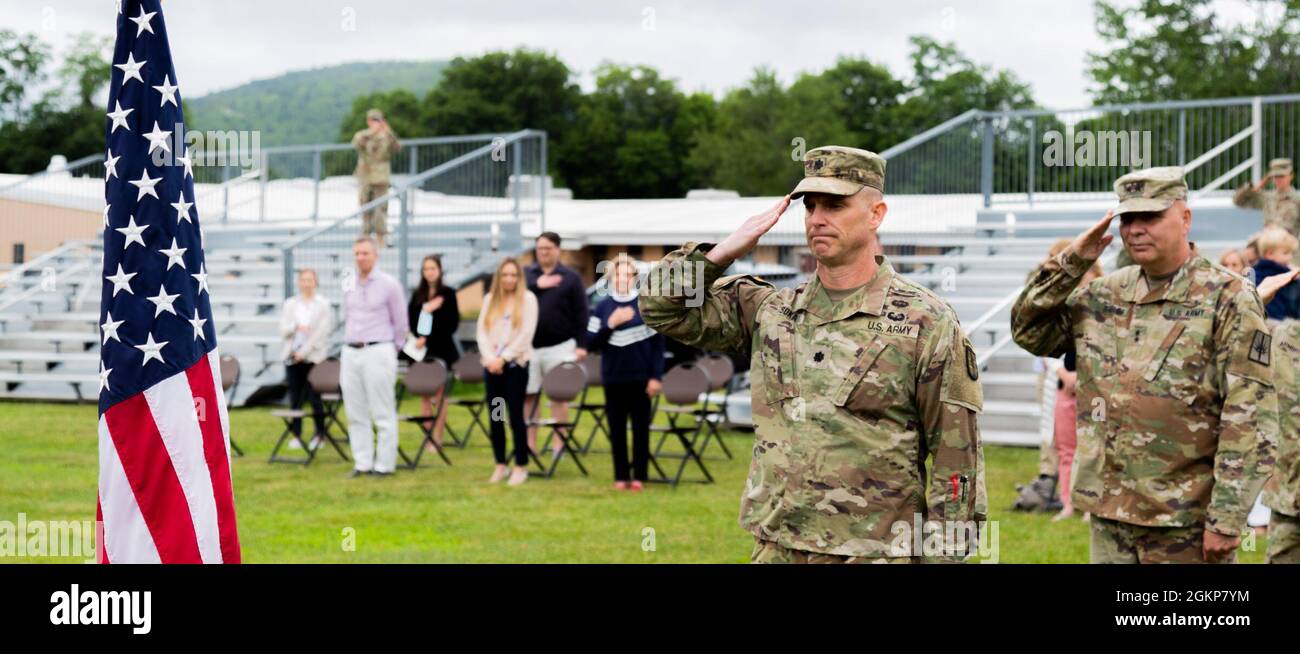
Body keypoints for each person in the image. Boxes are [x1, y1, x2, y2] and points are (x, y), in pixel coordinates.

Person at [640, 145, 987, 563]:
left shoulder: (924, 321)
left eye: (836, 205)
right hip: (779, 547)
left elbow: (956, 461)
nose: (818, 218)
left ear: (876, 214)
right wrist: (723, 252)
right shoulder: (771, 310)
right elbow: (660, 306)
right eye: (811, 206)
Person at [1011, 166, 1279, 563]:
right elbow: (1028, 331)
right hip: (1109, 515)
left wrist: (1226, 518)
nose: (1136, 228)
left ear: (1185, 218)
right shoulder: (1103, 294)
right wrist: (1071, 263)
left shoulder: (1229, 298)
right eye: (1127, 218)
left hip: (1185, 520)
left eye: (1150, 216)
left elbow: (1250, 416)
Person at [585, 255, 664, 491]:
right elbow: (590, 344)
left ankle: (639, 476)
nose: (622, 279)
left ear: (634, 278)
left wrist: (655, 377)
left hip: (641, 378)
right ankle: (620, 476)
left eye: (626, 275)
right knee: (616, 430)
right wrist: (611, 324)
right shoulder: (602, 307)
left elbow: (658, 348)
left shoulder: (646, 306)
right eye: (617, 275)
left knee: (640, 429)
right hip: (613, 377)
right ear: (611, 279)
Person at [340, 237, 408, 477]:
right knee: (355, 410)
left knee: (382, 410)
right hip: (351, 350)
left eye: (365, 253)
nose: (360, 258)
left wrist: (391, 350)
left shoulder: (389, 284)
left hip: (378, 349)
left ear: (375, 255)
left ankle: (385, 464)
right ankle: (362, 462)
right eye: (357, 253)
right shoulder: (349, 283)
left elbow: (401, 323)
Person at [523, 232, 590, 458]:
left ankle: (558, 444)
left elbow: (582, 313)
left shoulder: (570, 277)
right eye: (540, 248)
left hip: (560, 345)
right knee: (529, 395)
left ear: (558, 249)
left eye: (548, 248)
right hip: (530, 346)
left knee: (557, 396)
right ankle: (530, 444)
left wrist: (582, 345)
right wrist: (536, 285)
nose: (544, 252)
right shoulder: (527, 275)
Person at [476, 258, 539, 486]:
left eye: (514, 275)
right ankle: (500, 463)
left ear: (519, 278)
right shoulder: (490, 300)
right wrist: (491, 359)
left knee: (514, 416)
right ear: (499, 277)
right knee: (496, 416)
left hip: (515, 366)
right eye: (505, 275)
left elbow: (526, 334)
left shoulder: (528, 300)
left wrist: (504, 358)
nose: (509, 279)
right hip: (492, 367)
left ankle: (520, 465)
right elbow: (482, 332)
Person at [1050, 260, 1102, 523]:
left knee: (1093, 450)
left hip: (1093, 392)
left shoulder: (1104, 314)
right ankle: (1068, 503)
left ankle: (1091, 505)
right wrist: (1064, 374)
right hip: (1065, 390)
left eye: (1088, 279)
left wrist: (1084, 379)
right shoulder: (1063, 312)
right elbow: (1046, 351)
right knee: (1067, 450)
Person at [404, 254, 461, 450]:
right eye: (426, 269)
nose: (429, 272)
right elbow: (411, 322)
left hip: (441, 350)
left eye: (433, 268)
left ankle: (438, 436)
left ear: (439, 270)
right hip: (421, 352)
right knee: (425, 395)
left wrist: (428, 336)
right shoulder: (417, 295)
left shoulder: (448, 294)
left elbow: (451, 324)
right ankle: (427, 436)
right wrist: (426, 310)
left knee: (440, 396)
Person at [278, 268, 332, 449]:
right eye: (303, 280)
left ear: (315, 282)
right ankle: (297, 434)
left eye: (310, 280)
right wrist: (296, 327)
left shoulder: (322, 304)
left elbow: (321, 333)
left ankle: (319, 434)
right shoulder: (290, 304)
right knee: (295, 398)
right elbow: (284, 330)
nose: (307, 284)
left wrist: (305, 352)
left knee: (315, 398)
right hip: (292, 357)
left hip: (314, 358)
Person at [352, 108, 401, 248]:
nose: (376, 123)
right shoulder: (362, 135)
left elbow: (397, 148)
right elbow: (356, 143)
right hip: (366, 176)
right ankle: (365, 238)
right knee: (365, 207)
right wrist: (372, 133)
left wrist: (388, 131)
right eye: (373, 120)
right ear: (368, 121)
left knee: (381, 208)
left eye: (378, 120)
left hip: (381, 176)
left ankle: (380, 239)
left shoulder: (387, 136)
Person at [1234, 158, 1299, 242]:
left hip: (1288, 248)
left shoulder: (1297, 200)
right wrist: (1259, 185)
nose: (1278, 180)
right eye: (1275, 177)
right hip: (1268, 245)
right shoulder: (1267, 198)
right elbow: (1239, 201)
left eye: (1281, 176)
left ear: (1291, 176)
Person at [1249, 227, 1300, 321]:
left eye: (1291, 253)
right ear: (1270, 254)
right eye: (1285, 253)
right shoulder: (1277, 278)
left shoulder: (1254, 274)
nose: (1290, 257)